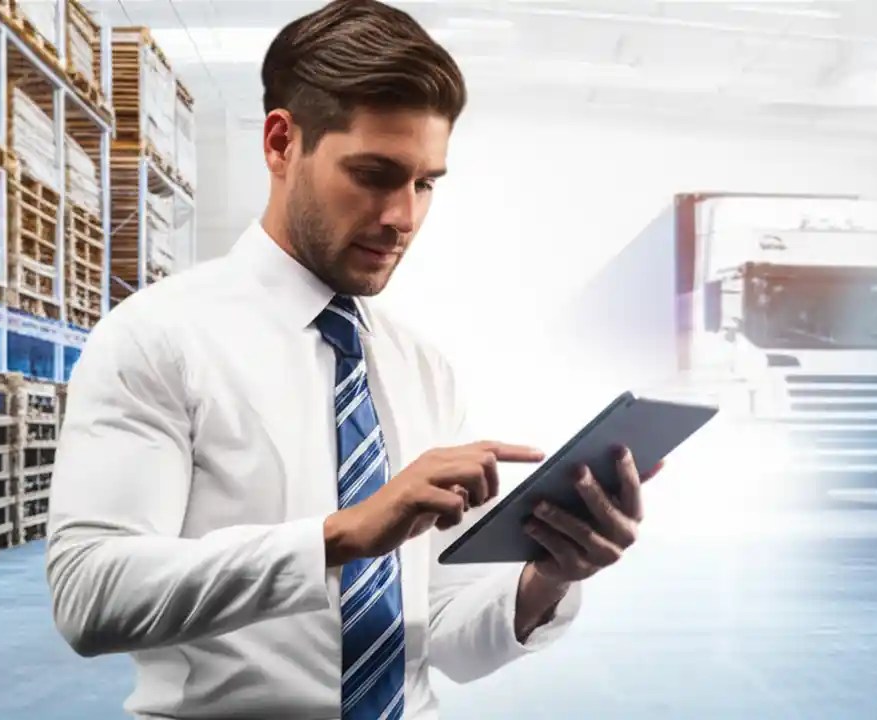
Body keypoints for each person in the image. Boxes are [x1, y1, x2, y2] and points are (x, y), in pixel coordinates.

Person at [45, 2, 657, 718]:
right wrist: (341, 536)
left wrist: (547, 579)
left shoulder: (421, 365)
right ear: (281, 143)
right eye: (374, 173)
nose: (403, 216)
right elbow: (90, 596)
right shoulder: (158, 338)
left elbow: (446, 638)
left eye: (425, 183)